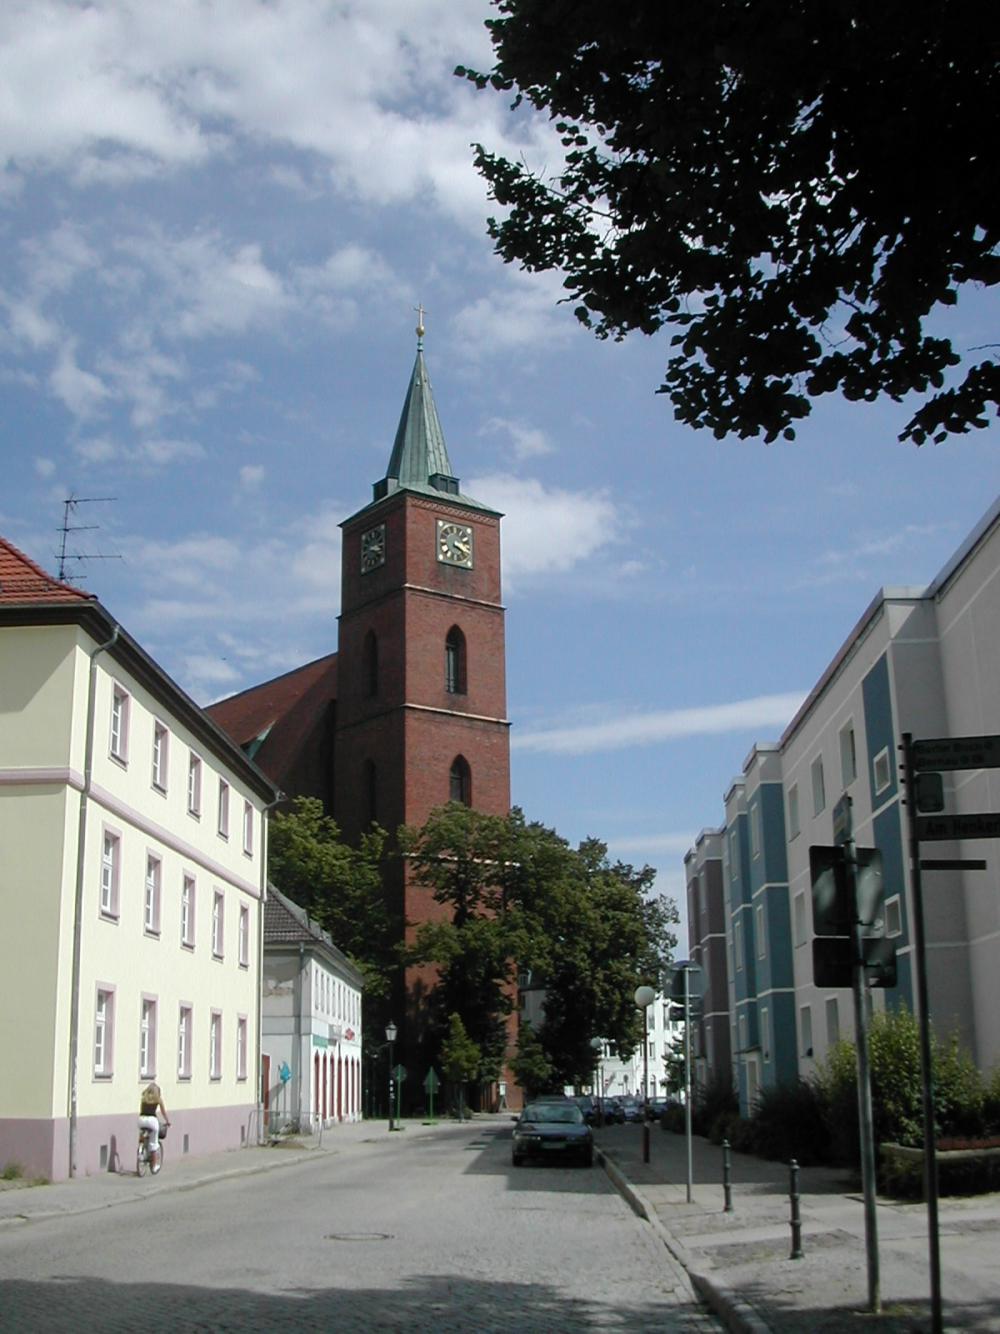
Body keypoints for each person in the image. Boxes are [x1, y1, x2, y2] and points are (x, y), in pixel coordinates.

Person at [138, 1082, 170, 1170]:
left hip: (141, 1119)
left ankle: (141, 1148)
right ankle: (154, 1165)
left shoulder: (143, 1098)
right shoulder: (158, 1099)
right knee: (154, 1143)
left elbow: (142, 1110)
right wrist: (167, 1121)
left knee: (143, 1133)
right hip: (152, 1121)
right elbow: (163, 1112)